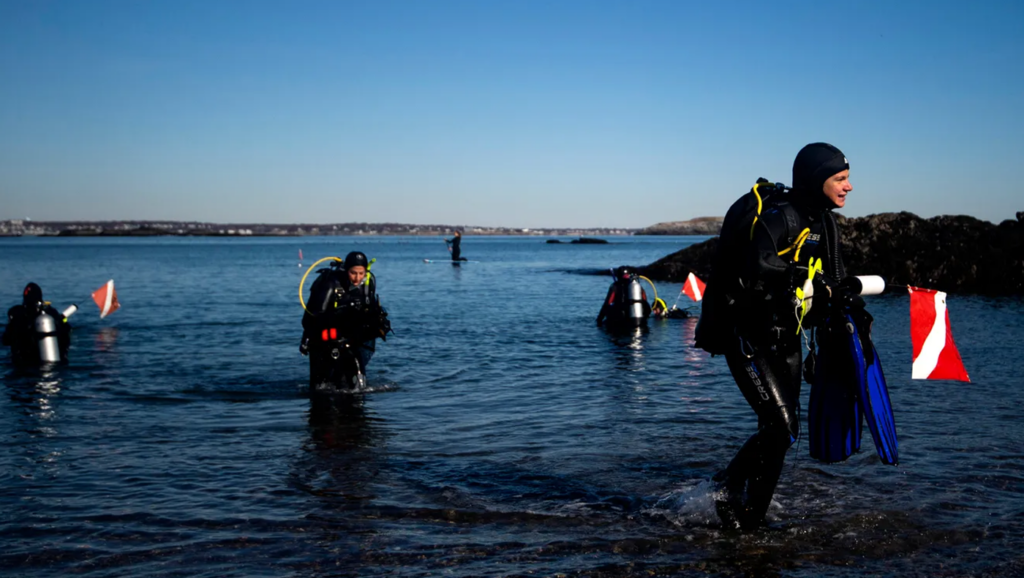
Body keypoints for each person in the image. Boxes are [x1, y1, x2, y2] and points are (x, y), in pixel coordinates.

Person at [709, 142, 852, 530]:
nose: (848, 186)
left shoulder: (825, 223)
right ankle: (726, 486)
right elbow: (759, 261)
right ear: (816, 178)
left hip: (787, 339)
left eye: (846, 178)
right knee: (781, 426)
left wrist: (847, 309)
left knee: (781, 435)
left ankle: (751, 518)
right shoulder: (781, 217)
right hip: (750, 338)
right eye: (840, 178)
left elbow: (833, 281)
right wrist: (801, 276)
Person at [300, 251, 391, 385]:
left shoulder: (366, 286)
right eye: (353, 273)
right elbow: (312, 318)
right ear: (346, 270)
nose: (357, 278)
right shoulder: (330, 284)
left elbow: (371, 311)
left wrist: (380, 323)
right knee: (321, 387)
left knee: (359, 384)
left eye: (361, 273)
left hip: (350, 340)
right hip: (323, 342)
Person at [3, 282, 72, 364]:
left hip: (24, 361)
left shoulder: (17, 313)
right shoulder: (51, 312)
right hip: (53, 358)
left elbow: (6, 340)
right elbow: (67, 330)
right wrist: (63, 320)